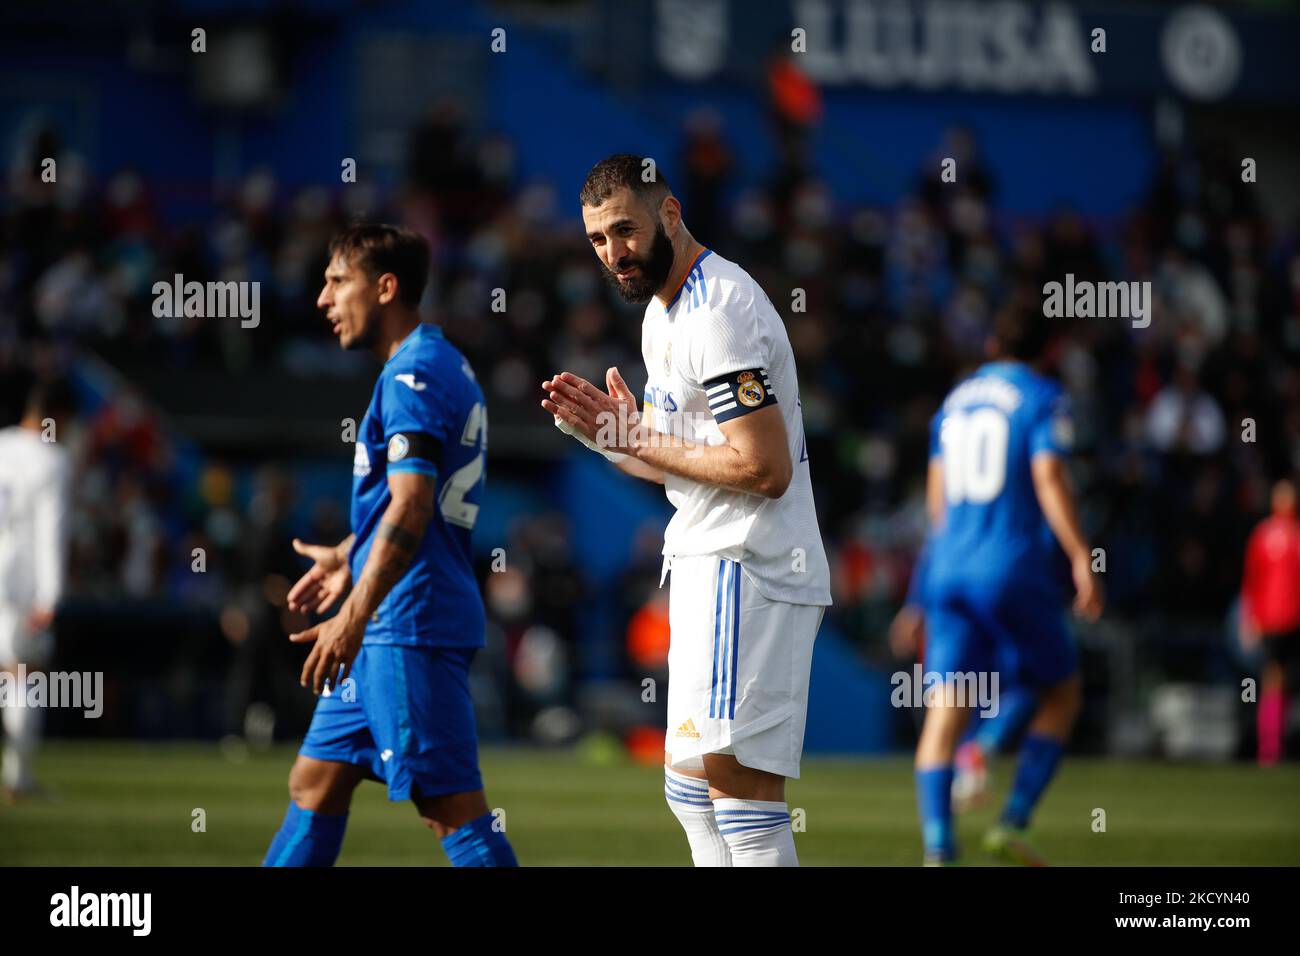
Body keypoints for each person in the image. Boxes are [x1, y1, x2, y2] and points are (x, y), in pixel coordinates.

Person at [542, 154, 831, 866]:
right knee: (689, 788)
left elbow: (763, 469)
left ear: (669, 214)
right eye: (598, 241)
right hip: (709, 557)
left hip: (749, 561)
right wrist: (614, 441)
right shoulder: (664, 314)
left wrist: (640, 434)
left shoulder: (721, 311)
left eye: (624, 231)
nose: (614, 254)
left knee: (739, 793)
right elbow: (683, 461)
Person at [263, 225, 516, 866]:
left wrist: (350, 615)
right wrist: (351, 553)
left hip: (406, 625)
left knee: (451, 811)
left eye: (336, 280)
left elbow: (412, 504)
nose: (323, 298)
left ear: (385, 287)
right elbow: (407, 505)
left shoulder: (414, 372)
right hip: (389, 625)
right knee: (315, 783)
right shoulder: (430, 362)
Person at [914, 309, 1102, 866]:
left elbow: (936, 501)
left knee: (945, 712)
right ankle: (1012, 821)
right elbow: (1048, 474)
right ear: (1049, 351)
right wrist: (1079, 555)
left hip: (948, 564)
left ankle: (939, 849)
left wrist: (926, 584)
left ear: (993, 342)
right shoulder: (1044, 396)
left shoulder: (955, 400)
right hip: (1011, 564)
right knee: (1061, 690)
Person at [0, 381, 73, 802]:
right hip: (21, 583)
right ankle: (19, 779)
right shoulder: (51, 460)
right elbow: (51, 531)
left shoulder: (4, 445)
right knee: (24, 677)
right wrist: (51, 595)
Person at [1240, 479, 1300, 766]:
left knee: (1280, 682)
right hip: (1275, 620)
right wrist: (1251, 617)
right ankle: (1270, 748)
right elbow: (1253, 580)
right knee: (1274, 680)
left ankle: (1275, 746)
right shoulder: (1264, 535)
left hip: (1291, 618)